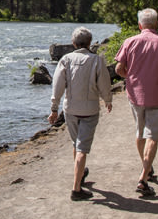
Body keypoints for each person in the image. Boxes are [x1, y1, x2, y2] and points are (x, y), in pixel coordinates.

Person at [115, 8, 158, 198]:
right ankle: (144, 177)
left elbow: (119, 68)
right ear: (156, 24)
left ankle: (147, 168)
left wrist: (134, 77)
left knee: (140, 132)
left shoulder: (130, 42)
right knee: (153, 135)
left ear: (139, 25)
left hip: (135, 95)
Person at [48, 26, 113, 201]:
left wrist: (54, 109)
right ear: (90, 43)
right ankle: (76, 189)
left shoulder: (65, 59)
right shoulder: (97, 60)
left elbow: (57, 85)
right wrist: (108, 100)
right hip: (90, 109)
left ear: (73, 43)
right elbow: (104, 83)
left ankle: (80, 173)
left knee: (76, 144)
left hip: (70, 109)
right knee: (82, 148)